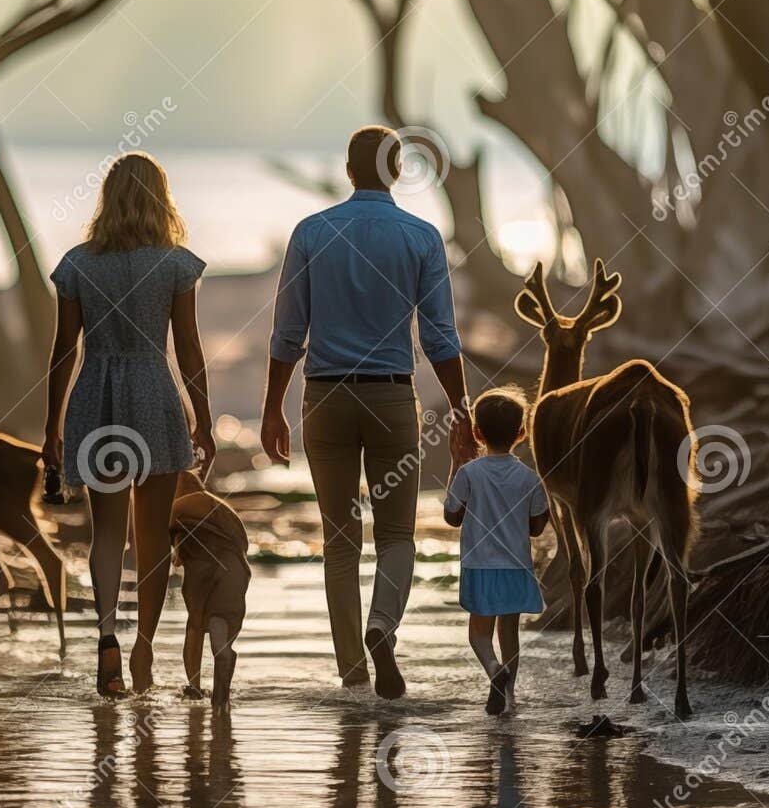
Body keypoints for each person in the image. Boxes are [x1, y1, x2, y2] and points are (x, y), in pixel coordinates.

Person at [261, 125, 474, 697]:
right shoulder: (422, 237)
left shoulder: (311, 232)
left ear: (350, 170)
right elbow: (440, 339)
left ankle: (352, 672)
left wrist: (272, 408)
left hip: (324, 397)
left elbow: (288, 333)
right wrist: (461, 410)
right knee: (398, 532)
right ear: (398, 169)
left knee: (338, 538)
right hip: (390, 397)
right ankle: (383, 625)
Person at [44, 153, 215, 697]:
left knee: (107, 533)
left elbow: (62, 351)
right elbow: (187, 348)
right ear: (160, 197)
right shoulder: (175, 264)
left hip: (95, 399)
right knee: (152, 536)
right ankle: (143, 647)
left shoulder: (76, 264)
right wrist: (204, 419)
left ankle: (106, 635)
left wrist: (52, 427)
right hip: (154, 400)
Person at [443, 388, 550, 717]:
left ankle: (494, 670)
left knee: (479, 634)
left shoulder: (469, 473)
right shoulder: (530, 478)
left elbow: (452, 516)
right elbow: (537, 527)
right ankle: (510, 696)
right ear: (522, 433)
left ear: (477, 432)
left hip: (480, 565)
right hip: (517, 567)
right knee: (510, 632)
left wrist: (455, 463)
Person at [170, 471, 250, 706]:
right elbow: (242, 544)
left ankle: (194, 686)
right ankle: (222, 652)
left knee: (195, 624)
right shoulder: (224, 509)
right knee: (219, 620)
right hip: (236, 570)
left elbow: (173, 554)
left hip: (202, 570)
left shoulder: (179, 506)